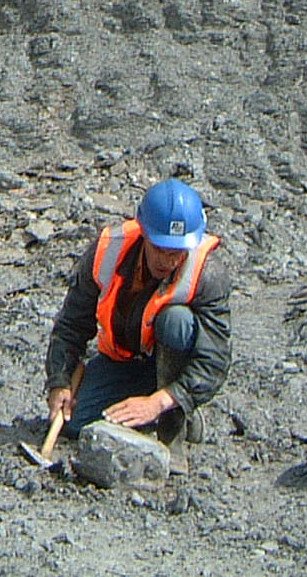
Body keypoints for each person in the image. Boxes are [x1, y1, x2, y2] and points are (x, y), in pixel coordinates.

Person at [44, 178, 233, 449]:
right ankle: (145, 402)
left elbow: (215, 359)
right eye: (159, 249)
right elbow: (72, 324)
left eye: (177, 253)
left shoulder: (208, 275)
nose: (167, 261)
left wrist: (162, 401)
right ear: (143, 232)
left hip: (174, 361)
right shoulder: (108, 251)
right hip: (123, 359)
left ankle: (175, 418)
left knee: (176, 322)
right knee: (75, 421)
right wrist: (60, 381)